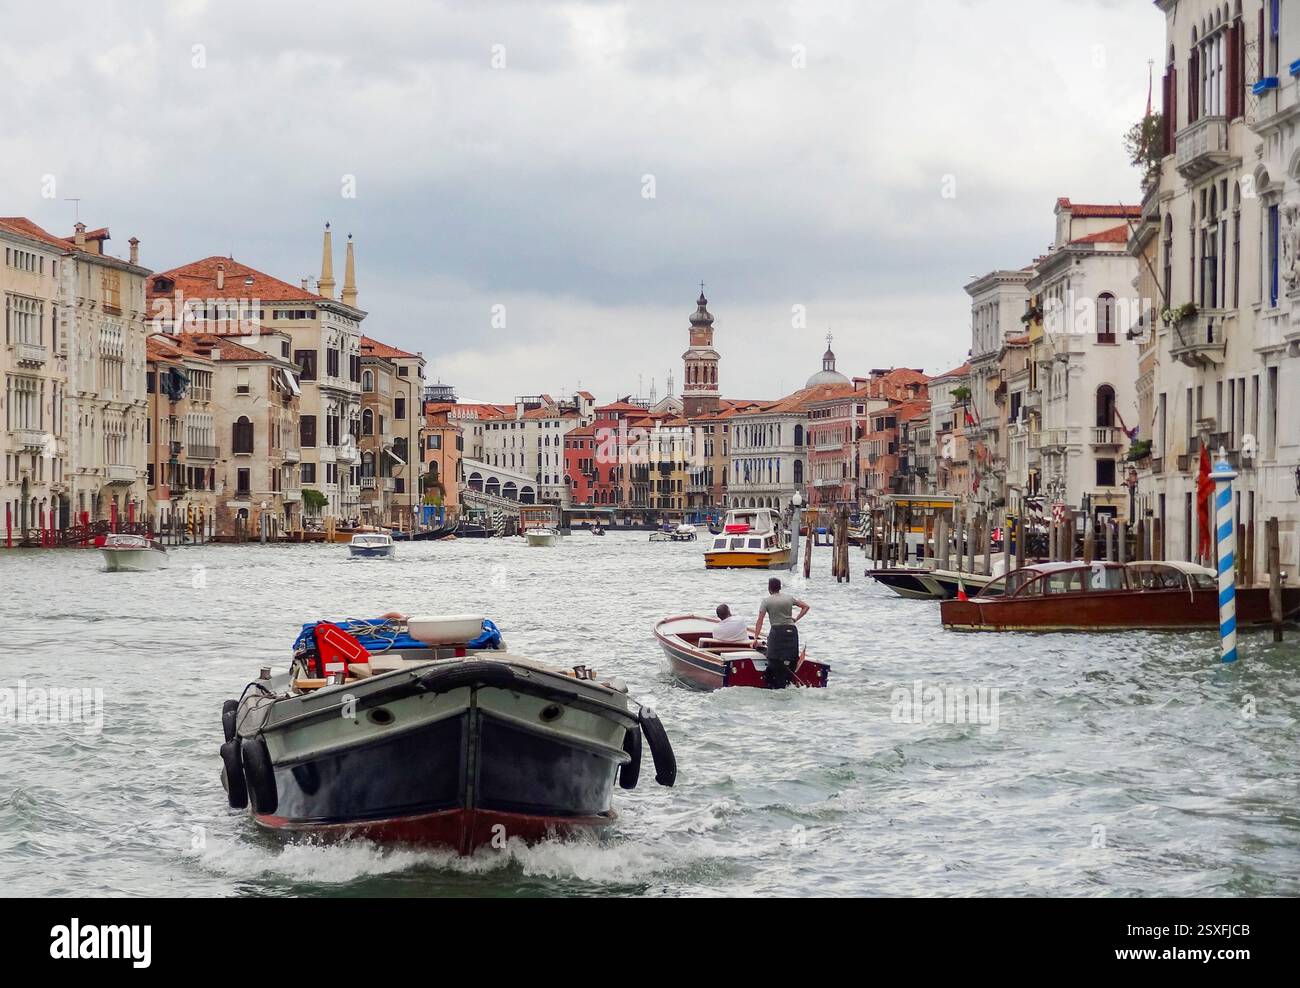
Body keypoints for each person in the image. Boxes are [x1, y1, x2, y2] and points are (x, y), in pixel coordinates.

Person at [754, 577, 810, 688]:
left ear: (769, 588)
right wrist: (795, 619)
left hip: (777, 632)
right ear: (780, 587)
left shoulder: (766, 601)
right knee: (791, 658)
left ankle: (773, 682)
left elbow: (760, 621)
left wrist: (755, 638)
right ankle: (791, 680)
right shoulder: (789, 598)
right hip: (792, 631)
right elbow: (806, 607)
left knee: (773, 658)